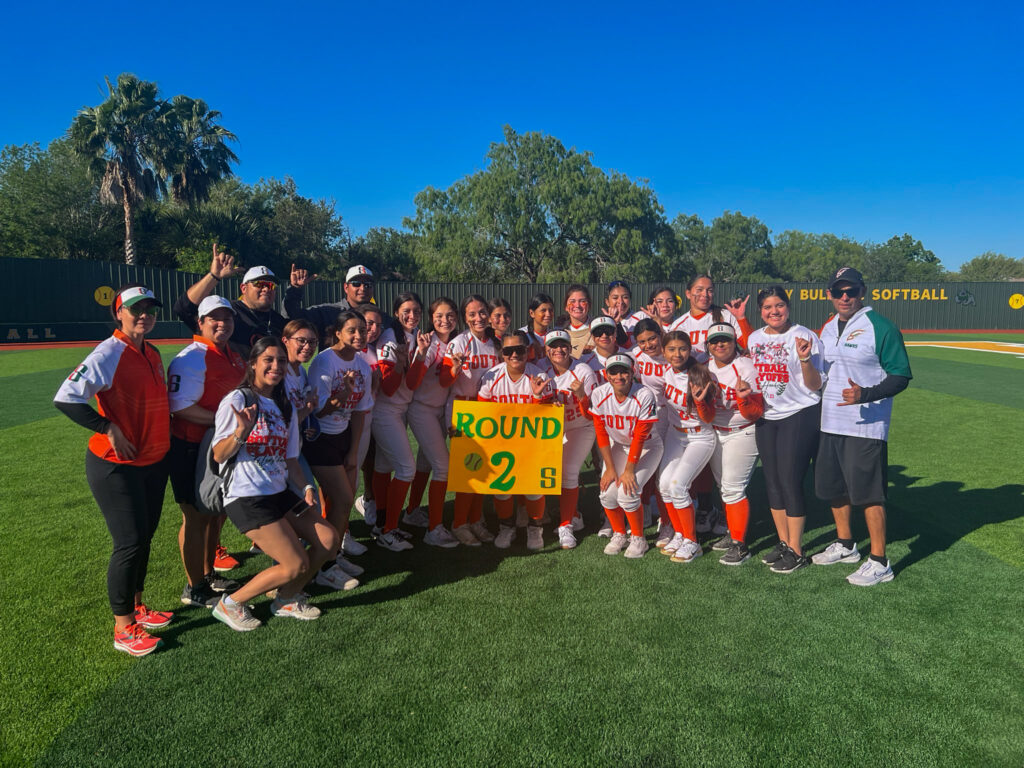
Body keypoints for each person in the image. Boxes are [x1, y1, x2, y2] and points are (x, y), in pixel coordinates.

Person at [54, 284, 172, 656]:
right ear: (117, 313)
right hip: (115, 464)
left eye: (150, 309)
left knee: (145, 538)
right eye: (136, 309)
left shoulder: (151, 352)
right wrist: (107, 426)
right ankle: (123, 628)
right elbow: (66, 397)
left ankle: (137, 605)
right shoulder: (109, 352)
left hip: (152, 461)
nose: (144, 315)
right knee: (129, 542)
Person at [210, 337, 339, 630]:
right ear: (253, 364)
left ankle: (286, 598)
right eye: (268, 360)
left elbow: (291, 459)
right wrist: (241, 432)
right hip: (246, 496)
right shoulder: (238, 400)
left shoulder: (285, 406)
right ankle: (230, 604)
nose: (276, 366)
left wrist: (306, 486)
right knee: (295, 564)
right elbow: (219, 454)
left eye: (281, 361)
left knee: (329, 541)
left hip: (279, 492)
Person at [811, 267, 912, 586]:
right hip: (830, 422)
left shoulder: (880, 326)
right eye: (838, 291)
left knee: (869, 495)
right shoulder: (827, 327)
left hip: (866, 427)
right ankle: (845, 544)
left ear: (862, 292)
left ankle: (880, 561)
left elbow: (900, 376)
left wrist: (865, 395)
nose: (844, 297)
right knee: (834, 489)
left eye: (850, 291)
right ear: (829, 294)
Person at [167, 296, 247, 608]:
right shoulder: (191, 357)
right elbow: (180, 406)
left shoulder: (232, 354)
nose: (221, 323)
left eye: (226, 318)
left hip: (219, 445)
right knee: (195, 516)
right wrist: (225, 421)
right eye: (213, 318)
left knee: (216, 511)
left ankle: (208, 572)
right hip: (191, 446)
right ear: (200, 322)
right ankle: (194, 587)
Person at [748, 287, 825, 574]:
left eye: (779, 305)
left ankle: (797, 549)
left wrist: (804, 359)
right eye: (768, 307)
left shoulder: (804, 336)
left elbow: (816, 385)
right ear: (761, 311)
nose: (774, 311)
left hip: (800, 413)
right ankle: (783, 542)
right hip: (767, 416)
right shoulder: (755, 338)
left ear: (788, 307)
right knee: (772, 482)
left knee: (791, 481)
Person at [305, 311, 374, 587]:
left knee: (343, 500)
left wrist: (353, 451)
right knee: (344, 499)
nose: (358, 336)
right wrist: (340, 396)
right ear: (338, 332)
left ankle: (332, 554)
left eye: (363, 330)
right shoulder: (324, 362)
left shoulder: (363, 365)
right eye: (352, 330)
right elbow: (316, 412)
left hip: (343, 437)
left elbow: (359, 412)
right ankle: (324, 564)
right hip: (319, 439)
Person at [477, 330, 557, 550]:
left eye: (519, 349)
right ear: (502, 353)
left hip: (531, 442)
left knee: (534, 487)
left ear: (528, 351)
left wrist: (538, 397)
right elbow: (482, 413)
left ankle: (534, 527)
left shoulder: (539, 375)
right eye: (508, 350)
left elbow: (547, 420)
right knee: (502, 488)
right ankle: (507, 527)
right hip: (502, 442)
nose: (514, 355)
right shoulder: (491, 377)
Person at [588, 353, 664, 559]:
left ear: (632, 373)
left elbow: (641, 435)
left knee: (627, 493)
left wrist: (629, 470)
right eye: (613, 372)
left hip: (648, 447)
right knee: (607, 493)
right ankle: (620, 533)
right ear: (606, 374)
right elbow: (601, 432)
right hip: (620, 446)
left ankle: (638, 538)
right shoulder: (599, 394)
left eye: (624, 371)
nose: (619, 376)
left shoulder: (644, 394)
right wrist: (610, 468)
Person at [370, 293, 430, 552]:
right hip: (386, 410)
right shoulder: (389, 338)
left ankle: (382, 523)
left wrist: (419, 355)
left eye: (416, 310)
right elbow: (389, 387)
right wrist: (401, 363)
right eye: (407, 310)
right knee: (406, 469)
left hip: (400, 408)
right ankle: (388, 529)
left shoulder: (418, 336)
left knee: (383, 467)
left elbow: (414, 383)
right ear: (396, 312)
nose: (412, 315)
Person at [440, 294, 502, 545]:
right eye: (472, 314)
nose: (479, 318)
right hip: (462, 409)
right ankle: (459, 523)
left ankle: (475, 519)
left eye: (482, 312)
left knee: (484, 471)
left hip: (487, 410)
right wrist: (454, 369)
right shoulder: (458, 343)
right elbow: (444, 381)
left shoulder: (495, 343)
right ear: (464, 318)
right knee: (467, 472)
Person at [705, 323, 765, 565]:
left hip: (743, 430)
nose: (720, 344)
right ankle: (732, 534)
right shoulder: (704, 368)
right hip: (716, 431)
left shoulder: (746, 367)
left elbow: (756, 412)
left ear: (734, 342)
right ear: (708, 346)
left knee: (732, 488)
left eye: (725, 340)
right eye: (715, 340)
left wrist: (745, 399)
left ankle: (740, 546)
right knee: (723, 487)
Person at [656, 331, 717, 563]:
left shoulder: (700, 374)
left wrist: (701, 402)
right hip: (675, 434)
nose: (677, 354)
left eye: (682, 348)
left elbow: (709, 417)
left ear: (690, 349)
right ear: (664, 352)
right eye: (671, 349)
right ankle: (680, 533)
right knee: (663, 485)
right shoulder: (666, 372)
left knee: (678, 485)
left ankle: (693, 542)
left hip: (700, 436)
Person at [404, 297, 461, 548]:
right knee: (443, 466)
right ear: (431, 318)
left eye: (449, 315)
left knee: (426, 464)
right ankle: (434, 528)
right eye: (439, 316)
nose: (444, 320)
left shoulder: (455, 343)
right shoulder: (428, 342)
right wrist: (422, 352)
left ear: (456, 318)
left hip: (440, 410)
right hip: (422, 409)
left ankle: (412, 511)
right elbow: (414, 382)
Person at [537, 329, 599, 549]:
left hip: (581, 427)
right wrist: (543, 402)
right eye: (553, 346)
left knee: (569, 472)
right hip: (555, 429)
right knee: (551, 472)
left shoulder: (583, 370)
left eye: (563, 345)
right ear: (546, 350)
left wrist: (581, 396)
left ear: (570, 347)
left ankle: (566, 526)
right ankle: (575, 515)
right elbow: (536, 406)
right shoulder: (541, 370)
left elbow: (592, 413)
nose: (558, 350)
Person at [174, 243, 286, 358]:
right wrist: (214, 276)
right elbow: (184, 308)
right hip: (229, 373)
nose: (266, 289)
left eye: (271, 285)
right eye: (259, 284)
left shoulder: (279, 321)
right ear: (243, 288)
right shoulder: (228, 311)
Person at [284, 264, 385, 340]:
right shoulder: (327, 312)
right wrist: (295, 289)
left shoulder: (381, 318)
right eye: (356, 284)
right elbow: (292, 317)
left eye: (368, 285)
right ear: (346, 287)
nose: (363, 288)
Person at [352, 303, 385, 528]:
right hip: (347, 420)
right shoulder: (345, 352)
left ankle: (369, 499)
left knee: (371, 462)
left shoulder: (375, 349)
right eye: (368, 324)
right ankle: (339, 531)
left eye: (377, 325)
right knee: (347, 472)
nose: (373, 329)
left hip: (371, 415)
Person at [673, 275, 753, 361]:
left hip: (724, 372)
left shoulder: (725, 316)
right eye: (699, 290)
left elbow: (752, 347)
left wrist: (741, 318)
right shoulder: (678, 325)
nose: (705, 294)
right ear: (688, 294)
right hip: (693, 372)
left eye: (710, 290)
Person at [560, 284, 594, 359]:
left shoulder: (598, 330)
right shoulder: (560, 332)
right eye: (572, 301)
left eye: (582, 301)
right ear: (566, 306)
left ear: (589, 305)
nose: (577, 305)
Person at [521, 292, 555, 358]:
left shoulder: (554, 335)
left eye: (550, 310)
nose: (548, 314)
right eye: (543, 310)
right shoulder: (522, 335)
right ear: (532, 313)